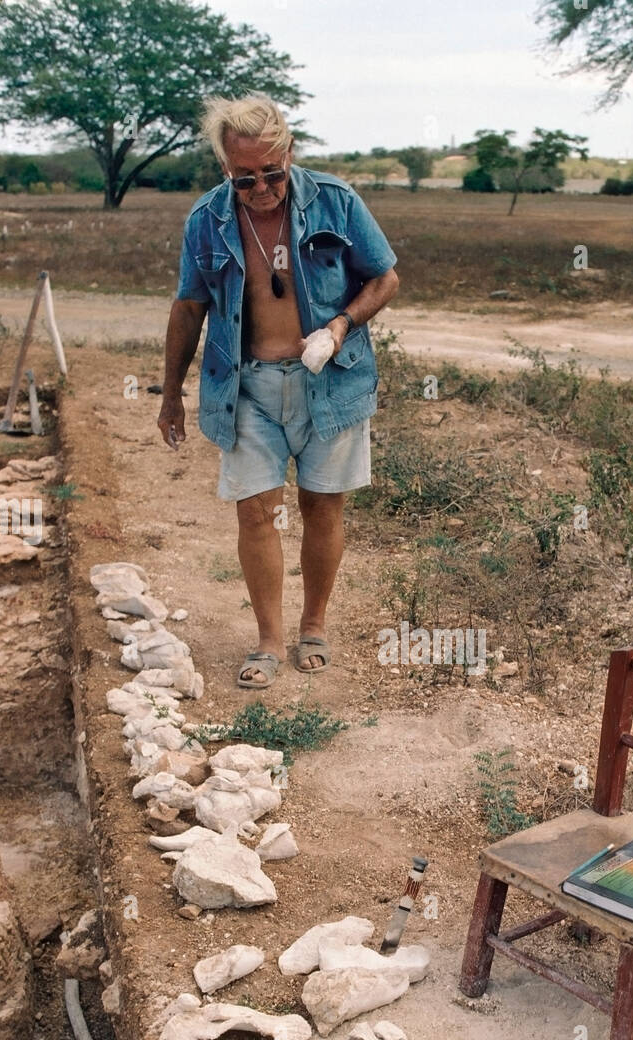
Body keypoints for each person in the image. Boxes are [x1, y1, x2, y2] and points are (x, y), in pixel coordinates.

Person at [158, 93, 399, 683]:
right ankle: (266, 640)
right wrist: (170, 395)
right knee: (256, 513)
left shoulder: (337, 202)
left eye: (272, 172)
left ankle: (313, 626)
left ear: (289, 152)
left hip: (329, 383)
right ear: (224, 168)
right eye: (245, 178)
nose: (262, 187)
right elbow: (189, 307)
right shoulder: (206, 219)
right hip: (246, 387)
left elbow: (385, 277)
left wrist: (341, 326)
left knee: (321, 505)